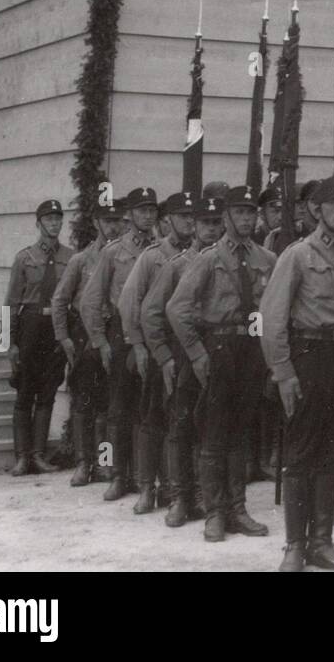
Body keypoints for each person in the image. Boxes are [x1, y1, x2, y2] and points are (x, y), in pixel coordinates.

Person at [261, 176, 334, 571]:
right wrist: (284, 372)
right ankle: (294, 545)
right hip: (308, 358)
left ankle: (322, 542)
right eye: (333, 203)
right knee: (301, 452)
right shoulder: (297, 255)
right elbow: (273, 318)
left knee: (333, 452)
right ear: (316, 210)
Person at [167, 186, 277, 542]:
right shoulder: (208, 258)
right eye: (239, 213)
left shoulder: (266, 259)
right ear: (227, 216)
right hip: (219, 348)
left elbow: (274, 310)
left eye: (251, 213)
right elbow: (177, 308)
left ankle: (238, 509)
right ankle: (215, 512)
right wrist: (198, 354)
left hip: (252, 350)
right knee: (214, 434)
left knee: (242, 432)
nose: (246, 219)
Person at [140, 194, 225, 527]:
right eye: (202, 222)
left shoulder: (225, 264)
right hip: (184, 354)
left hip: (218, 352)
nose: (207, 228)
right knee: (180, 424)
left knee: (211, 427)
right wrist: (163, 357)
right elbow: (150, 314)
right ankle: (179, 497)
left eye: (215, 222)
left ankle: (205, 495)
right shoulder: (177, 265)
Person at [117, 191, 196, 514]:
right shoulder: (152, 256)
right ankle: (147, 488)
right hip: (156, 346)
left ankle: (174, 488)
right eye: (182, 217)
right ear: (168, 221)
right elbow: (130, 304)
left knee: (180, 418)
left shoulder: (199, 255)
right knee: (152, 418)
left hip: (186, 348)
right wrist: (139, 346)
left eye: (193, 217)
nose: (189, 223)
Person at [80, 187, 160, 500]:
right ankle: (116, 474)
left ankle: (146, 478)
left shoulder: (162, 249)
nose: (148, 216)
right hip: (120, 336)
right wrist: (100, 341)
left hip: (154, 334)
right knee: (117, 409)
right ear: (130, 214)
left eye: (152, 210)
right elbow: (91, 300)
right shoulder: (114, 252)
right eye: (142, 210)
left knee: (149, 409)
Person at [51, 198, 126, 486]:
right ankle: (83, 464)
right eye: (108, 221)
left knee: (109, 406)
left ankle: (105, 463)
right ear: (97, 224)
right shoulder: (81, 260)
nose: (114, 227)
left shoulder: (126, 257)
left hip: (115, 335)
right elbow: (59, 301)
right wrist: (64, 338)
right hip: (86, 338)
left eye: (119, 221)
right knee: (83, 405)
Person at [5, 199, 73, 475]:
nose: (54, 223)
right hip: (30, 326)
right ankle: (22, 457)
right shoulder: (25, 258)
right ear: (38, 223)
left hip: (55, 327)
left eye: (58, 219)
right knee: (25, 392)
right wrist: (10, 342)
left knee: (47, 392)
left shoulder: (71, 257)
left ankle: (38, 455)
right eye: (48, 219)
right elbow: (11, 302)